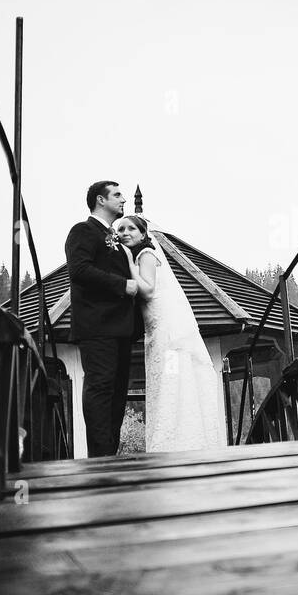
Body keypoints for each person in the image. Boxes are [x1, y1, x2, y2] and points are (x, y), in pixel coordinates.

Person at [113, 214, 226, 452]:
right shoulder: (142, 255)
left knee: (169, 377)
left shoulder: (145, 255)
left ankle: (172, 440)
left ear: (143, 234)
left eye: (131, 228)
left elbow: (147, 289)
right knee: (167, 377)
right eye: (120, 229)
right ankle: (179, 434)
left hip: (166, 328)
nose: (125, 232)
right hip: (158, 327)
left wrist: (129, 264)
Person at [64, 181, 142, 457]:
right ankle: (100, 459)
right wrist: (123, 285)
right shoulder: (83, 231)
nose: (123, 200)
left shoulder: (115, 240)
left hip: (121, 330)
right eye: (117, 195)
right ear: (100, 200)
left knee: (118, 394)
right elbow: (80, 270)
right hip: (97, 328)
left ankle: (111, 454)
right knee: (100, 389)